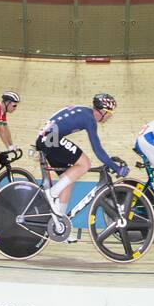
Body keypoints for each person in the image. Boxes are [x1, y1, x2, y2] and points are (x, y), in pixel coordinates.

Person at [36, 94, 127, 223]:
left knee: (68, 180)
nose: (110, 116)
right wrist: (116, 168)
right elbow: (98, 150)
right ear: (103, 111)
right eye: (110, 113)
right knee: (85, 163)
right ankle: (51, 194)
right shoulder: (89, 119)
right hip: (51, 139)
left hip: (46, 138)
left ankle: (59, 224)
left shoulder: (85, 112)